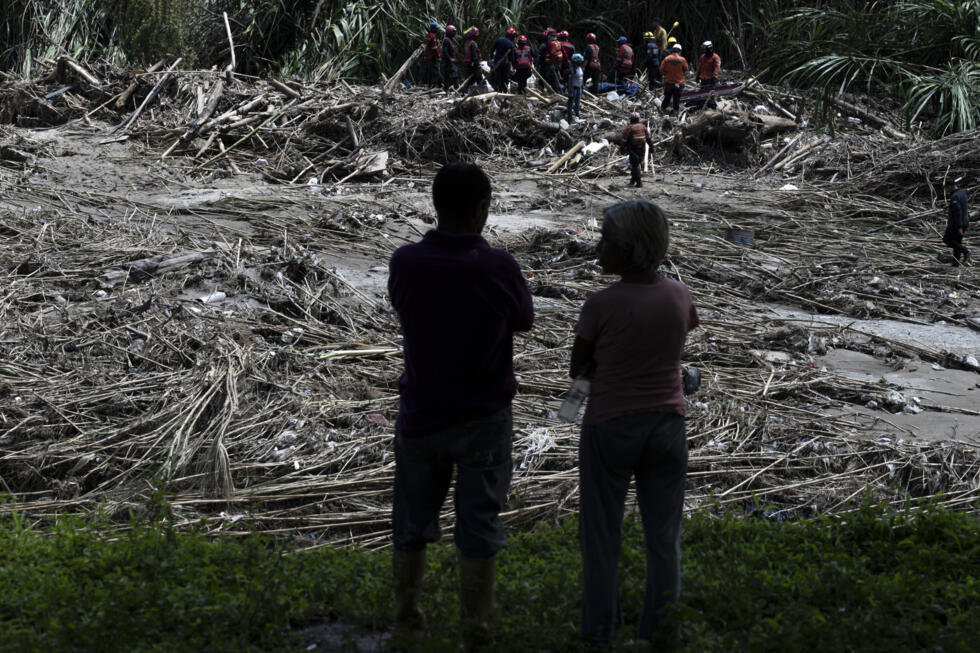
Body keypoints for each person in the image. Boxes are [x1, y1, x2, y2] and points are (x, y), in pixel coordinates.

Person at [388, 162, 534, 649]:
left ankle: (406, 618)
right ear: (481, 209)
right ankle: (477, 628)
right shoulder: (497, 267)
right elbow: (524, 320)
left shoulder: (406, 262)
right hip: (483, 416)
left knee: (411, 517)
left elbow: (403, 305)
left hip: (422, 411)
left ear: (436, 205)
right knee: (480, 519)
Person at [570, 199, 699, 646]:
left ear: (629, 249)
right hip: (667, 425)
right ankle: (661, 631)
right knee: (663, 537)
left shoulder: (600, 304)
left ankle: (599, 631)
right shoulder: (680, 296)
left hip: (609, 426)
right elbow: (673, 346)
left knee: (601, 535)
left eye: (607, 241)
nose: (599, 248)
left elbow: (579, 367)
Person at [944, 178, 971, 265]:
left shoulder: (955, 196)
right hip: (965, 222)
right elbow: (960, 205)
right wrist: (949, 206)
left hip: (957, 224)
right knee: (957, 242)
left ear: (950, 187)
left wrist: (959, 227)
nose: (946, 190)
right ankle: (955, 263)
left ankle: (966, 251)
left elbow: (958, 212)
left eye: (947, 188)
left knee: (947, 239)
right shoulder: (962, 192)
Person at [621, 112, 652, 188]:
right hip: (642, 149)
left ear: (631, 120)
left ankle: (639, 183)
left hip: (633, 149)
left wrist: (622, 148)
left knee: (635, 165)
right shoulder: (643, 127)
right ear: (638, 119)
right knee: (636, 164)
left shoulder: (629, 128)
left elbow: (624, 140)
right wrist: (652, 147)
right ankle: (632, 181)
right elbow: (648, 138)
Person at [659, 44, 688, 114]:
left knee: (667, 97)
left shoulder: (667, 59)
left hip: (668, 82)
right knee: (676, 99)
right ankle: (675, 113)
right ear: (679, 51)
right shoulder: (682, 59)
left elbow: (661, 70)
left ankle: (662, 110)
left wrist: (666, 74)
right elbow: (686, 69)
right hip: (678, 83)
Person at [538, 28, 565, 93]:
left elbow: (552, 54)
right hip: (555, 62)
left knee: (551, 77)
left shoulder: (551, 44)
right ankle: (558, 89)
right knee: (554, 76)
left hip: (550, 63)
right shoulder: (557, 42)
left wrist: (551, 63)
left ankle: (556, 90)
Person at [490, 27, 517, 92]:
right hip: (505, 63)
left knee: (497, 77)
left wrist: (491, 58)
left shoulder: (499, 39)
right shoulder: (511, 44)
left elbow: (492, 49)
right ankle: (504, 91)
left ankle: (497, 90)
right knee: (505, 78)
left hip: (497, 62)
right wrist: (513, 66)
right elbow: (511, 57)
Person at [459, 27, 484, 94]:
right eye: (476, 34)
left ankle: (465, 91)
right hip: (473, 65)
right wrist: (477, 65)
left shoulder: (467, 43)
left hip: (469, 64)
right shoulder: (473, 44)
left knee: (474, 79)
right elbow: (474, 56)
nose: (477, 36)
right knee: (477, 79)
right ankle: (464, 91)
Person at [423, 22, 442, 88]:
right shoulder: (433, 36)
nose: (437, 30)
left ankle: (430, 85)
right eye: (436, 29)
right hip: (433, 57)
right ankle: (438, 85)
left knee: (429, 71)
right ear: (433, 29)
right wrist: (438, 55)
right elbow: (434, 48)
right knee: (436, 71)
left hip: (428, 56)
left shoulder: (427, 36)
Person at [567, 53, 585, 121]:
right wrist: (570, 91)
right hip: (573, 88)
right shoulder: (572, 69)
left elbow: (581, 78)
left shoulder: (579, 68)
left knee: (577, 103)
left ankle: (577, 115)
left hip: (579, 87)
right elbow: (570, 81)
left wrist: (582, 88)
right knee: (571, 103)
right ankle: (569, 118)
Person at [441, 25, 459, 90]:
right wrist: (450, 58)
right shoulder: (446, 40)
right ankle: (457, 88)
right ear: (449, 32)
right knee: (454, 73)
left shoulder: (450, 40)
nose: (455, 33)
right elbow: (445, 51)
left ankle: (446, 88)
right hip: (448, 61)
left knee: (447, 75)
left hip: (448, 60)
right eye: (453, 32)